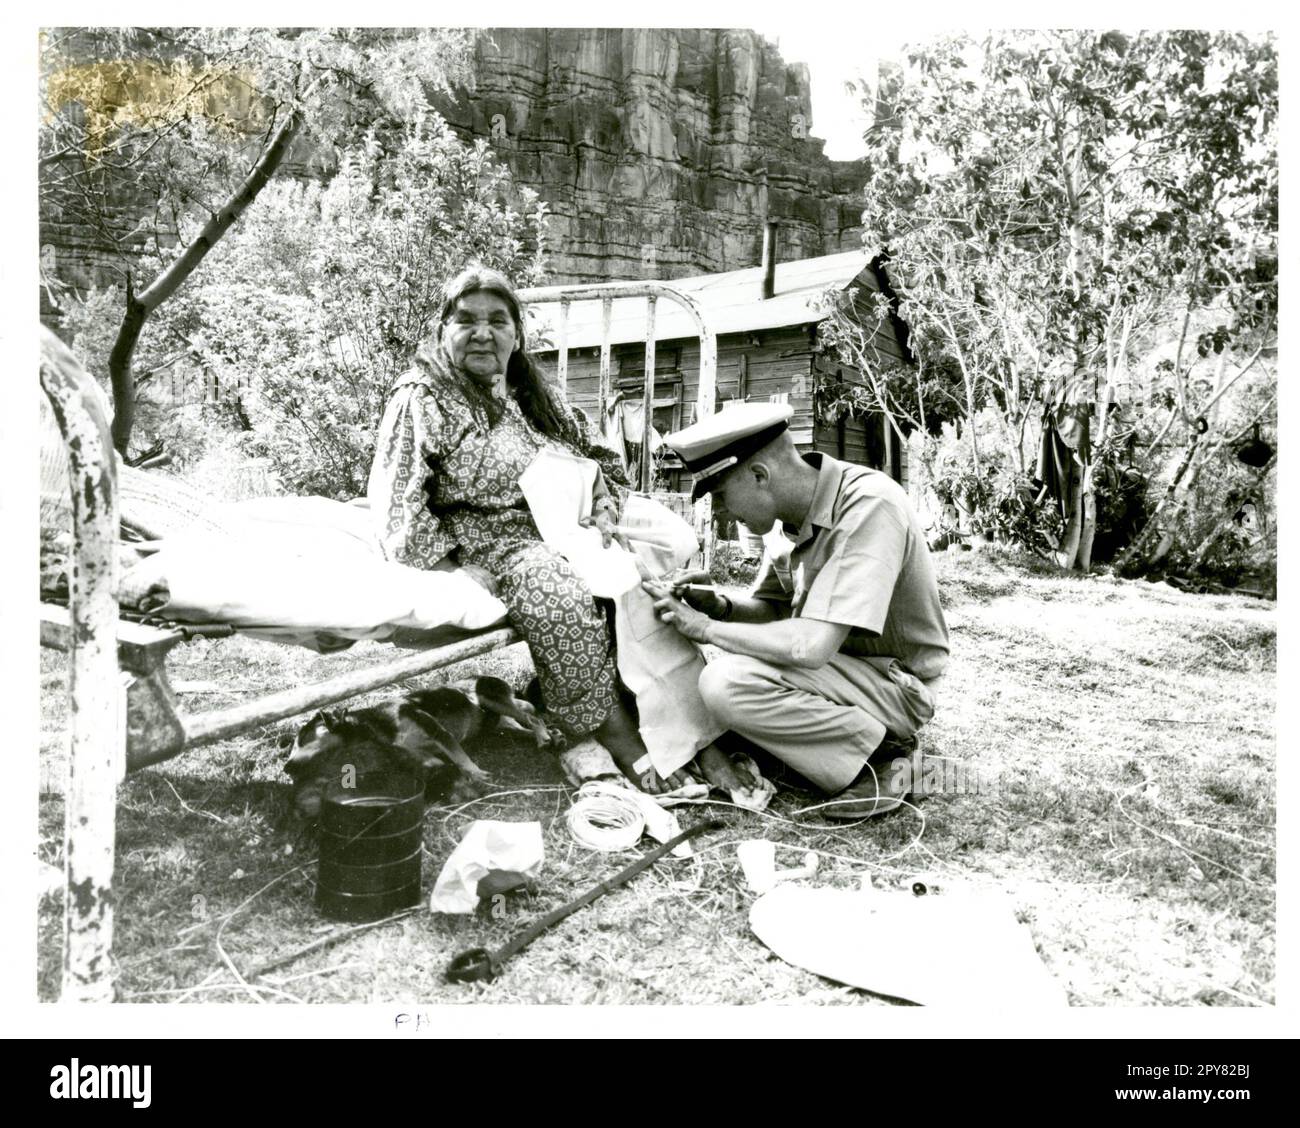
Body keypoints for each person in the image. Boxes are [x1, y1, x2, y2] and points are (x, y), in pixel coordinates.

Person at [368, 264, 685, 792]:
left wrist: (605, 504)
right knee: (551, 582)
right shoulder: (421, 397)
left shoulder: (532, 396)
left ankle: (659, 708)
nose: (482, 333)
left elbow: (603, 457)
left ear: (517, 335)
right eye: (465, 320)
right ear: (442, 329)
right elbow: (396, 502)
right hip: (485, 539)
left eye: (498, 321)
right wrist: (451, 566)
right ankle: (610, 731)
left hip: (558, 527)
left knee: (649, 558)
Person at [644, 402, 949, 818]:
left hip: (896, 683)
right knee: (729, 680)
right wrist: (719, 607)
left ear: (759, 476)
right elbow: (773, 611)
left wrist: (702, 628)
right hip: (840, 675)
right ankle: (838, 744)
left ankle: (888, 757)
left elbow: (809, 644)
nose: (721, 512)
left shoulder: (869, 505)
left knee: (725, 681)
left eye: (721, 495)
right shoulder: (789, 520)